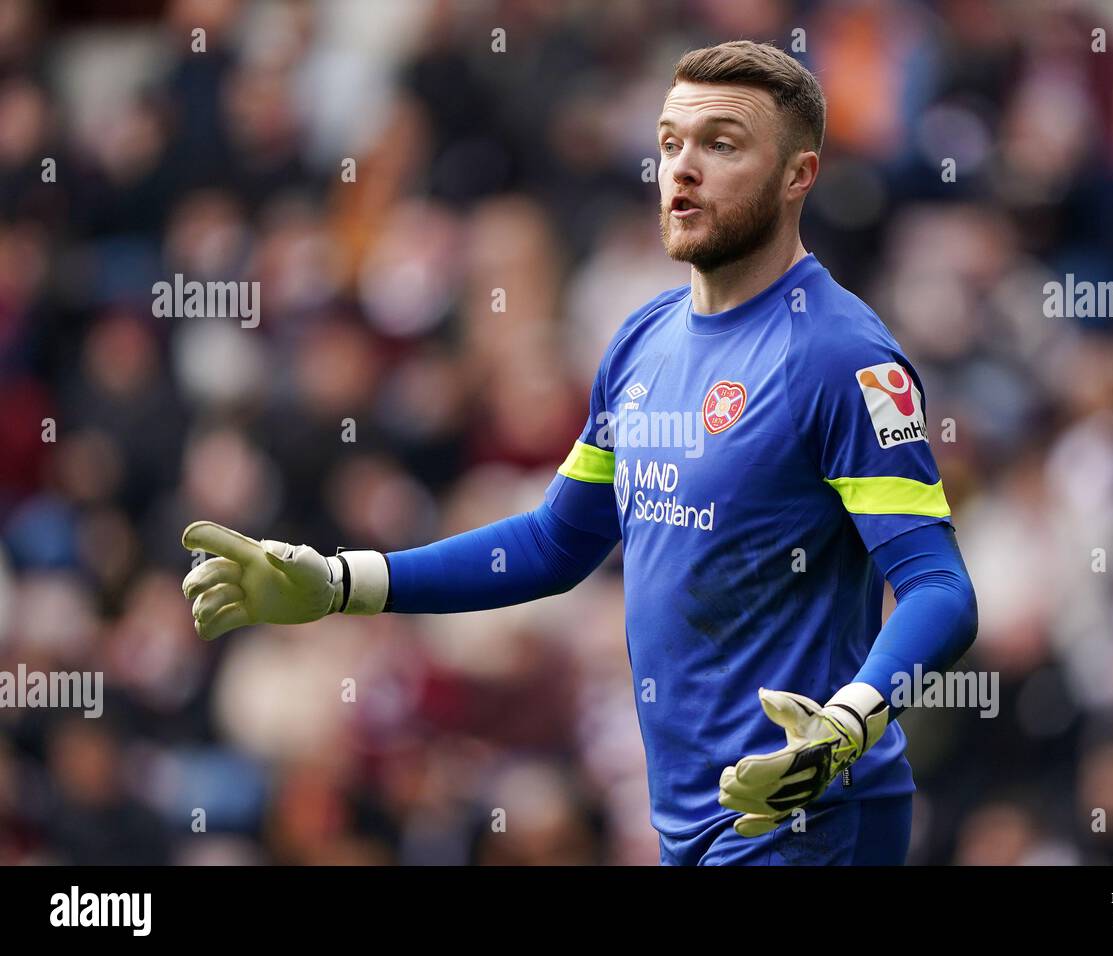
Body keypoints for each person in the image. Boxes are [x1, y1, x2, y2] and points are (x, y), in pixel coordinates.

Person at [181, 40, 978, 866]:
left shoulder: (841, 356)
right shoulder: (641, 341)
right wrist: (344, 582)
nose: (684, 169)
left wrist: (849, 720)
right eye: (671, 142)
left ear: (798, 176)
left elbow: (939, 585)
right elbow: (555, 543)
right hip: (697, 818)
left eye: (723, 144)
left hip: (814, 817)